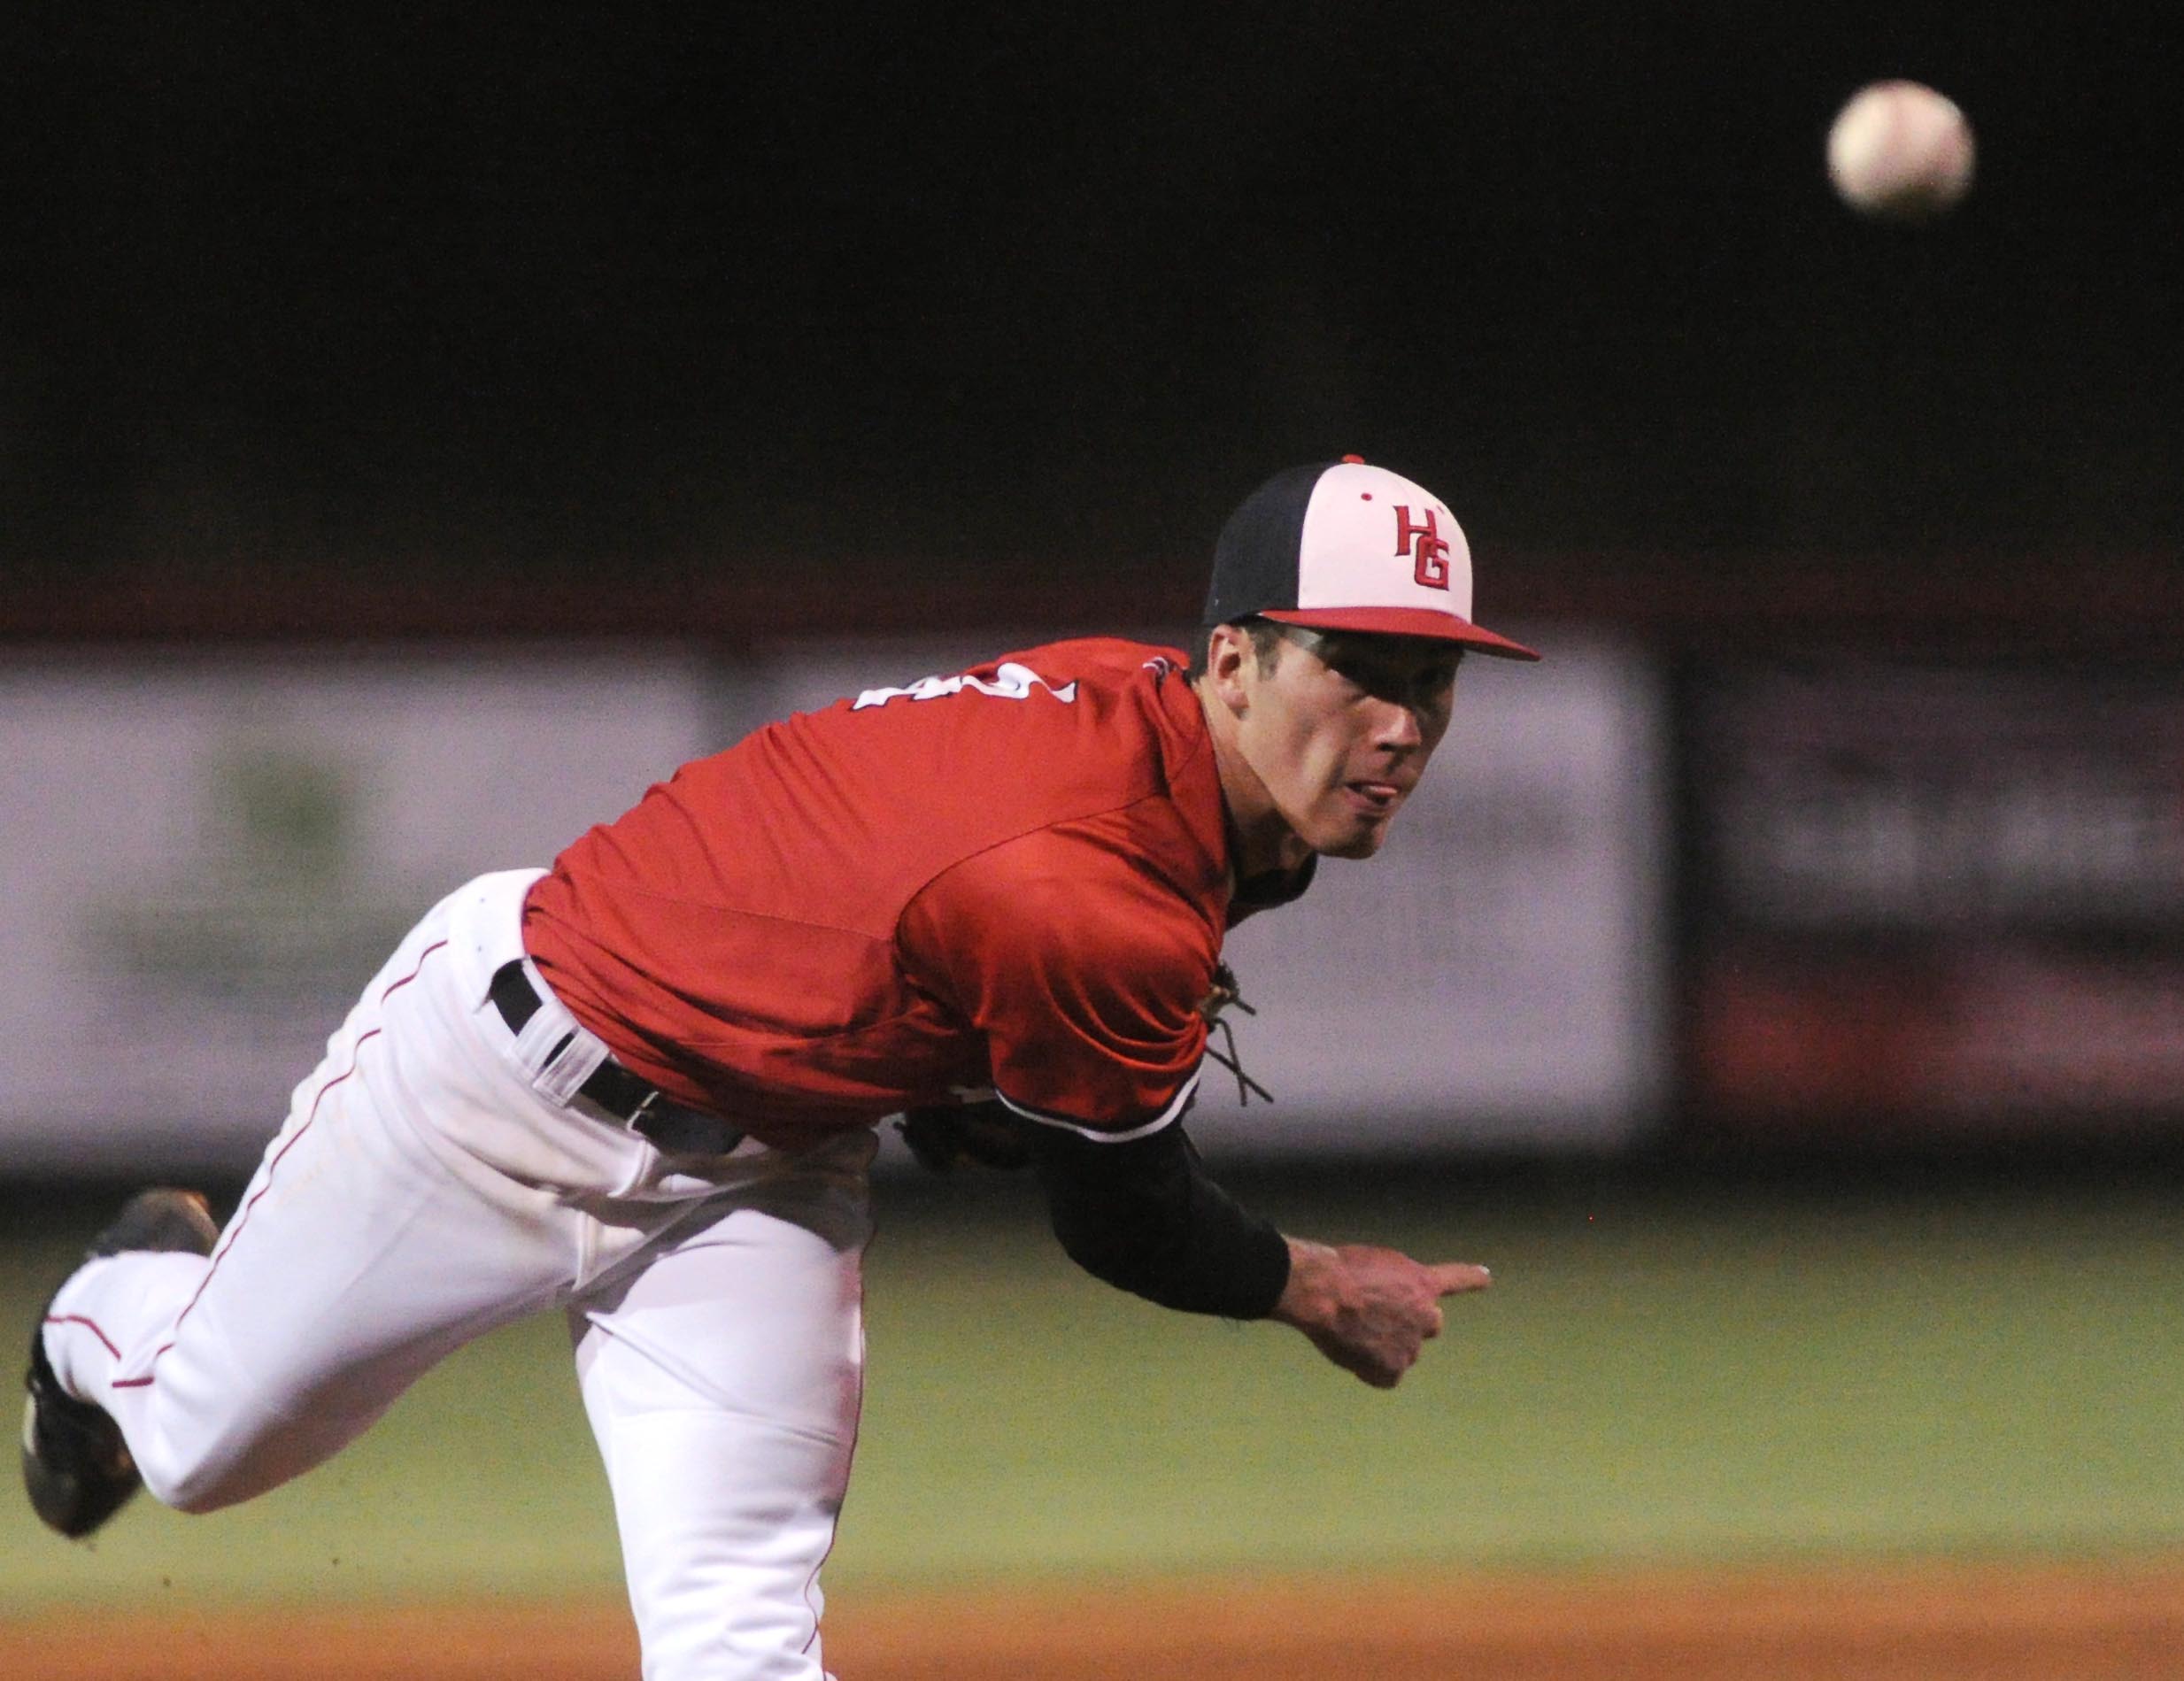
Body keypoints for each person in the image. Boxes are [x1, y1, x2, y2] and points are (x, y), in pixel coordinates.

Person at [23, 455, 1538, 1679]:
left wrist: (945, 1066)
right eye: (1357, 668)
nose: (1403, 725)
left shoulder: (1151, 729)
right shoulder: (1086, 891)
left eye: (1437, 682)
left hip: (765, 1166)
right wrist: (1315, 1283)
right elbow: (1122, 1217)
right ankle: (121, 1296)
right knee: (201, 1441)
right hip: (498, 1083)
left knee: (739, 1651)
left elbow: (910, 901)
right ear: (1229, 659)